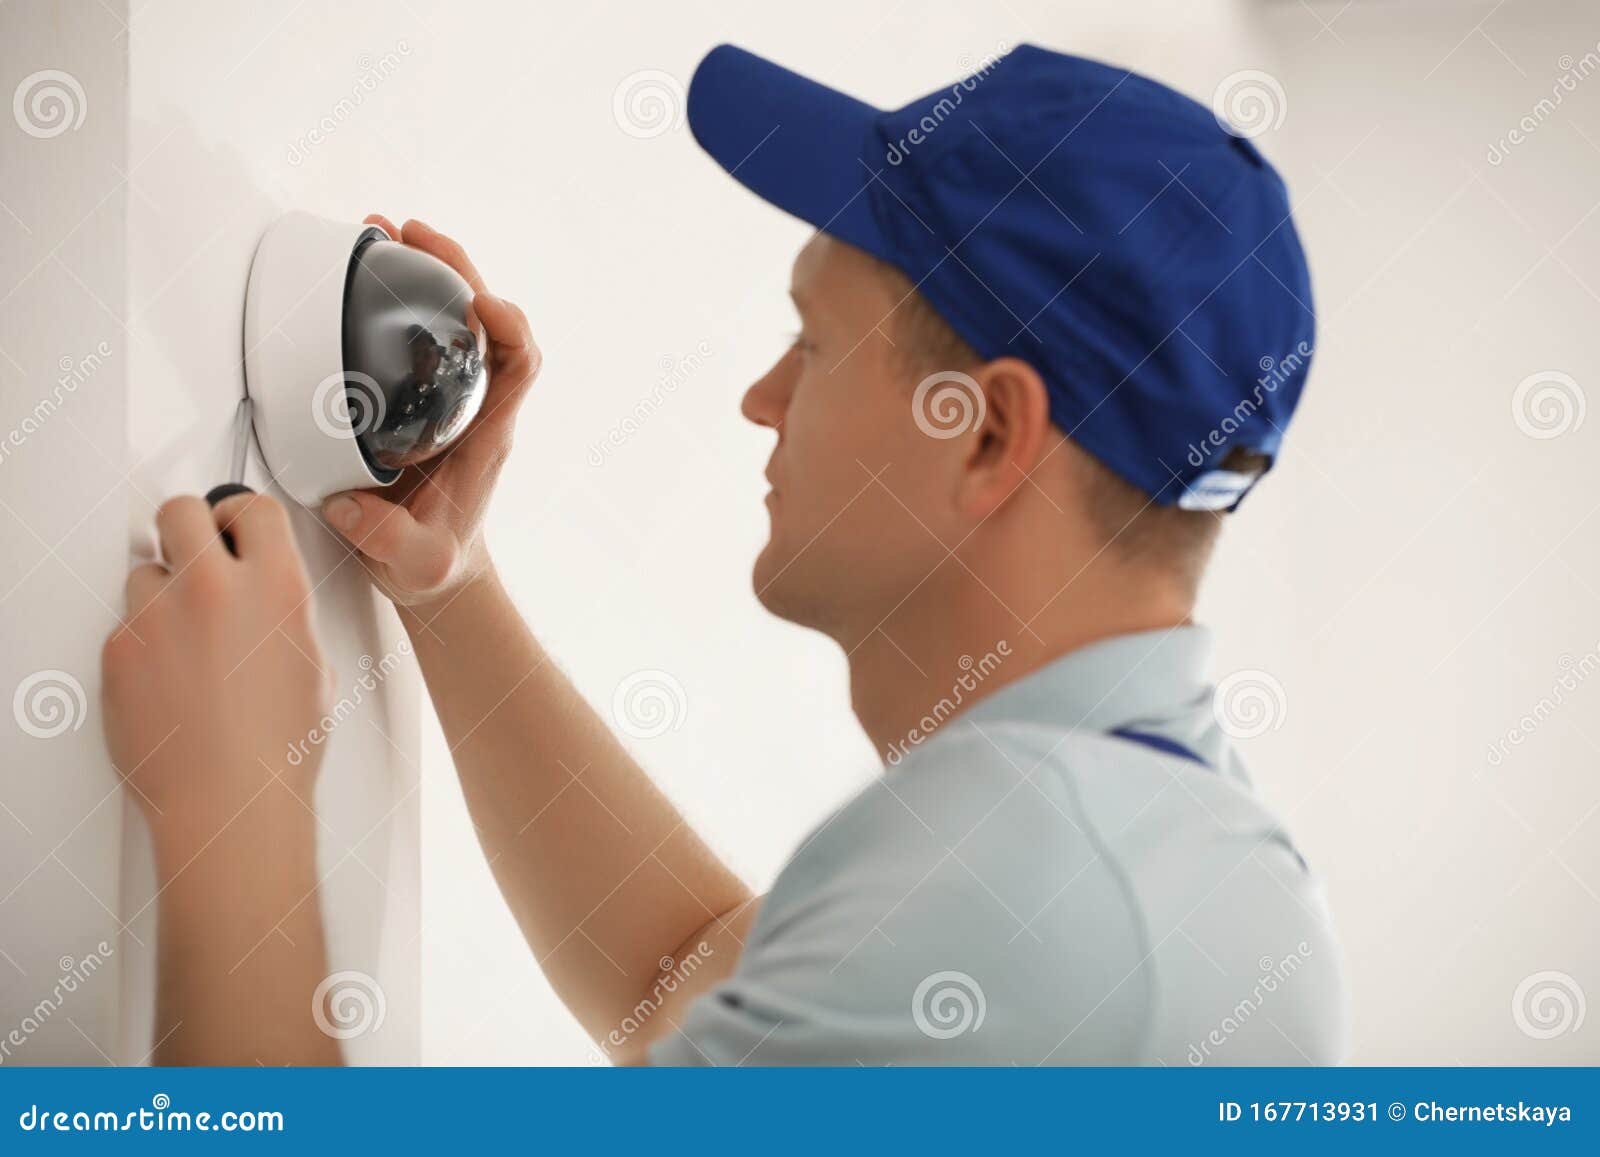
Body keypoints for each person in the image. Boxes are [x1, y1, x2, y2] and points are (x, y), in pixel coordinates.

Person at [101, 43, 1347, 1066]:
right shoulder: (1170, 848)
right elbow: (679, 979)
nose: (763, 398)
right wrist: (451, 582)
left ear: (983, 435)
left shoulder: (1031, 902)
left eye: (812, 341)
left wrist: (235, 805)